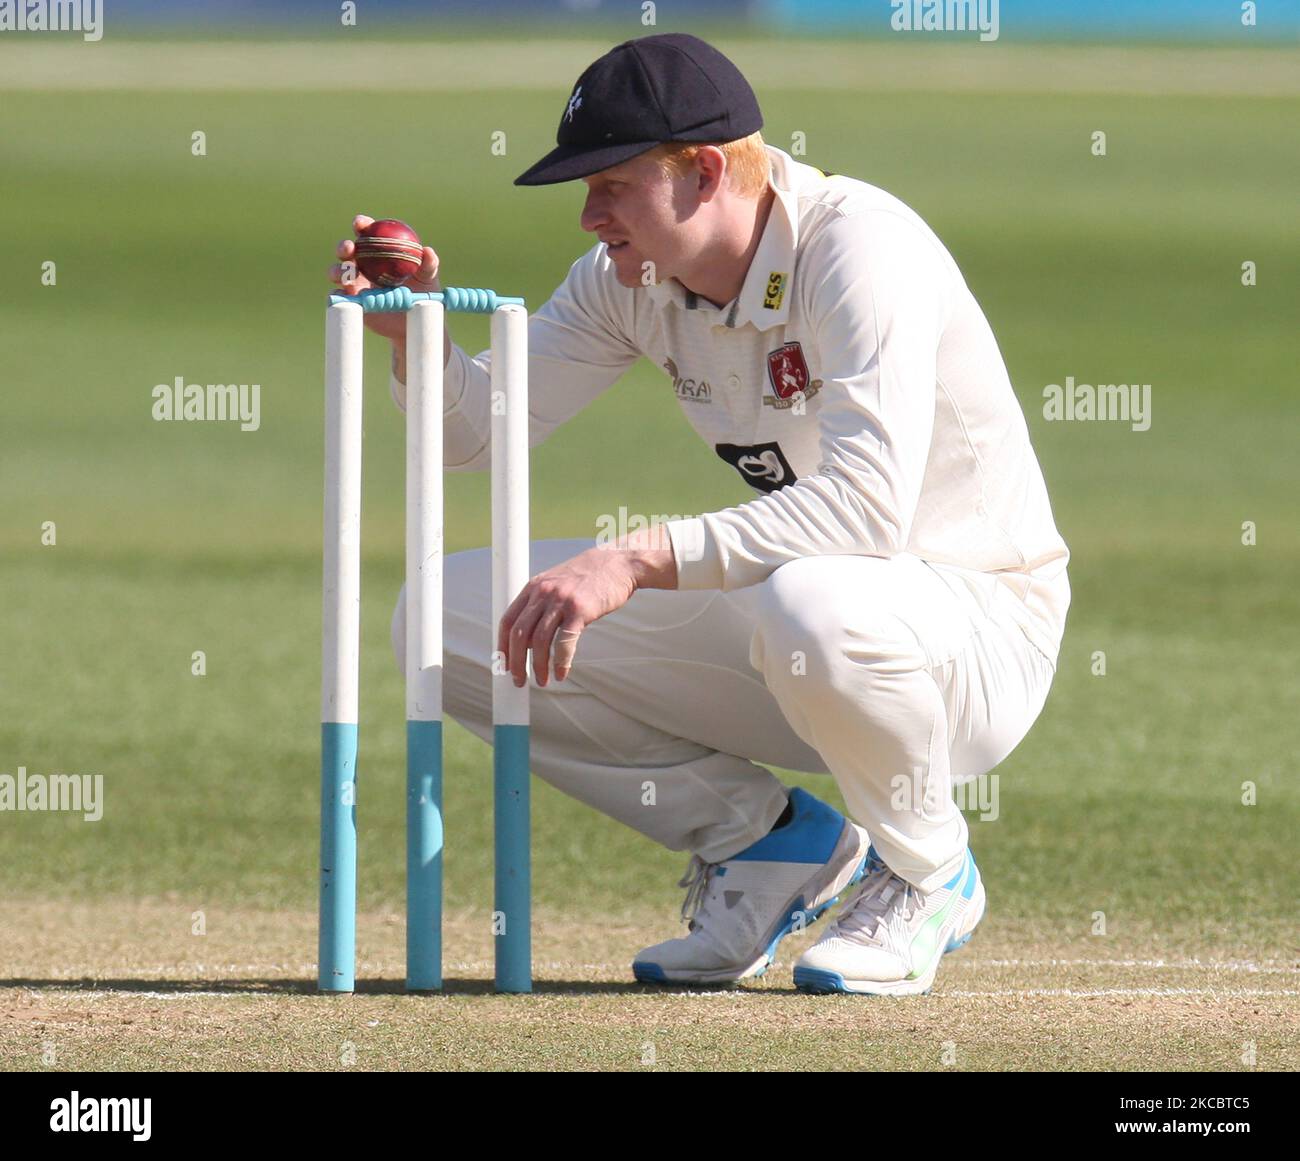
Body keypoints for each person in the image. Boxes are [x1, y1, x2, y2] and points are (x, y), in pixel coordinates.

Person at [329, 32, 1069, 996]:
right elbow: (479, 435)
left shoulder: (858, 245)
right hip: (807, 621)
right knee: (444, 617)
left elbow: (867, 508)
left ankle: (928, 868)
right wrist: (416, 336)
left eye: (611, 184)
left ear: (705, 170)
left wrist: (635, 557)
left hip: (973, 633)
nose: (591, 215)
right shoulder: (627, 281)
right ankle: (766, 847)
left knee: (813, 606)